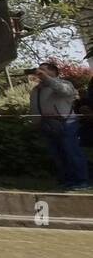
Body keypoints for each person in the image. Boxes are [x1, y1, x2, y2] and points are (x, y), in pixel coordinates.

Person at [30, 62, 90, 192]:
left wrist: (47, 79)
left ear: (53, 72)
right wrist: (35, 122)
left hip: (66, 124)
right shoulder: (37, 89)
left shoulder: (64, 84)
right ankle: (67, 181)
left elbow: (64, 92)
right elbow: (34, 107)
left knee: (72, 152)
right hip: (47, 125)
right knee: (57, 155)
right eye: (39, 69)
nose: (39, 72)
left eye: (43, 69)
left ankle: (82, 181)